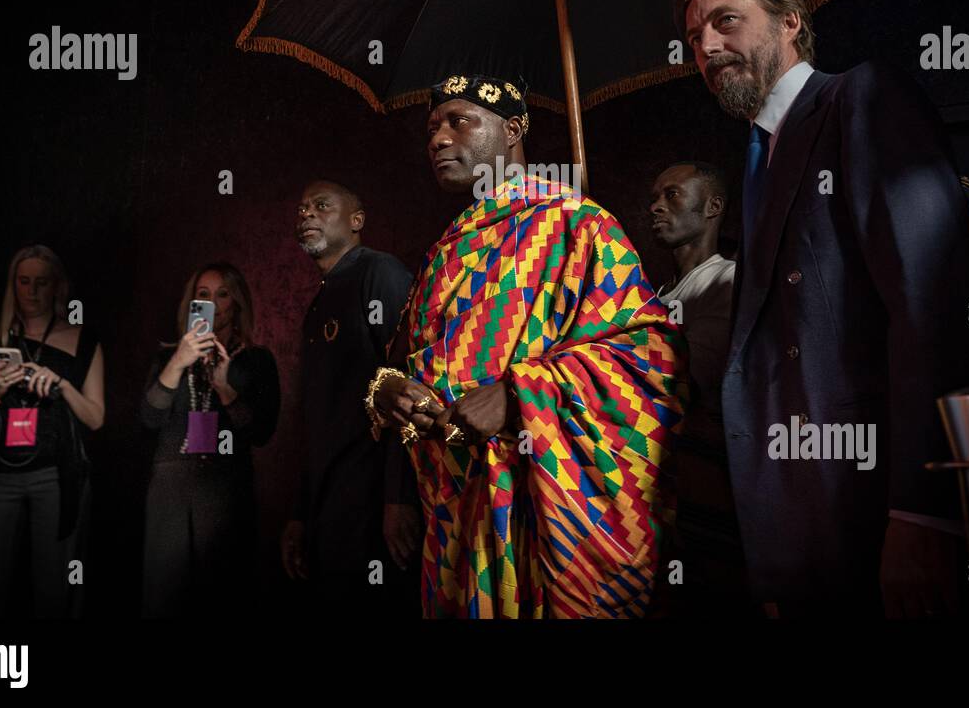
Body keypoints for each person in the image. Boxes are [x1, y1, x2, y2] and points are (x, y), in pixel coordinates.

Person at [676, 0, 969, 617]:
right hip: (792, 521)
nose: (704, 48)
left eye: (725, 20)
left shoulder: (862, 98)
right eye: (693, 37)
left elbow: (936, 305)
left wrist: (926, 509)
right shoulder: (761, 155)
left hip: (874, 508)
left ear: (791, 21)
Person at [367, 75, 688, 618]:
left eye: (459, 120)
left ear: (514, 128)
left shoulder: (581, 226)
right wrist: (389, 391)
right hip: (452, 520)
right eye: (432, 127)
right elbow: (404, 365)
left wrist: (521, 395)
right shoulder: (446, 251)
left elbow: (651, 360)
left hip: (540, 509)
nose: (439, 139)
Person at [280, 180, 418, 615]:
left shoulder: (380, 272)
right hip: (328, 509)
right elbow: (315, 419)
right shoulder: (318, 305)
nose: (306, 215)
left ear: (357, 221)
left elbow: (409, 383)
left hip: (372, 502)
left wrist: (400, 498)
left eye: (321, 206)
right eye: (302, 209)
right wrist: (301, 513)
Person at [0, 244, 105, 617]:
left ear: (57, 287)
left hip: (56, 473)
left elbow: (95, 418)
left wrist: (62, 385)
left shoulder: (84, 339)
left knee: (53, 585)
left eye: (42, 282)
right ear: (14, 285)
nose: (32, 291)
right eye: (24, 281)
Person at [140, 262, 279, 617]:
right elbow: (149, 417)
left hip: (224, 487)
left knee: (222, 595)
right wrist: (178, 362)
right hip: (170, 487)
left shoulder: (256, 360)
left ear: (237, 304)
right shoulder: (167, 356)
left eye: (223, 294)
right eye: (203, 295)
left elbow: (261, 433)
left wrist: (226, 389)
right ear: (192, 303)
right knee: (164, 594)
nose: (213, 303)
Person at [647, 161, 749, 614]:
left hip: (708, 489)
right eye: (655, 196)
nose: (656, 206)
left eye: (672, 194)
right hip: (659, 492)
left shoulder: (727, 278)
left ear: (713, 206)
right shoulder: (654, 295)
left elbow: (691, 376)